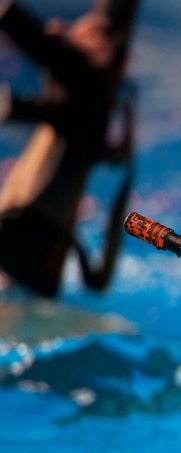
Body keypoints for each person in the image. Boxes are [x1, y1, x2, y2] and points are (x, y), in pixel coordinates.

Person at [0, 2, 137, 297]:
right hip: (37, 261)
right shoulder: (84, 110)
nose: (74, 29)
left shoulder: (88, 87)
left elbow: (25, 32)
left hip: (21, 252)